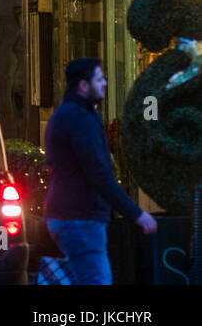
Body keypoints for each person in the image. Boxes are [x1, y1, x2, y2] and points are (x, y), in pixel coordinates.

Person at [44, 57, 157, 284]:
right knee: (97, 280)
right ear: (84, 86)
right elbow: (99, 174)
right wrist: (136, 214)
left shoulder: (70, 115)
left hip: (72, 216)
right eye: (99, 79)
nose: (105, 82)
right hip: (81, 219)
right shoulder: (79, 118)